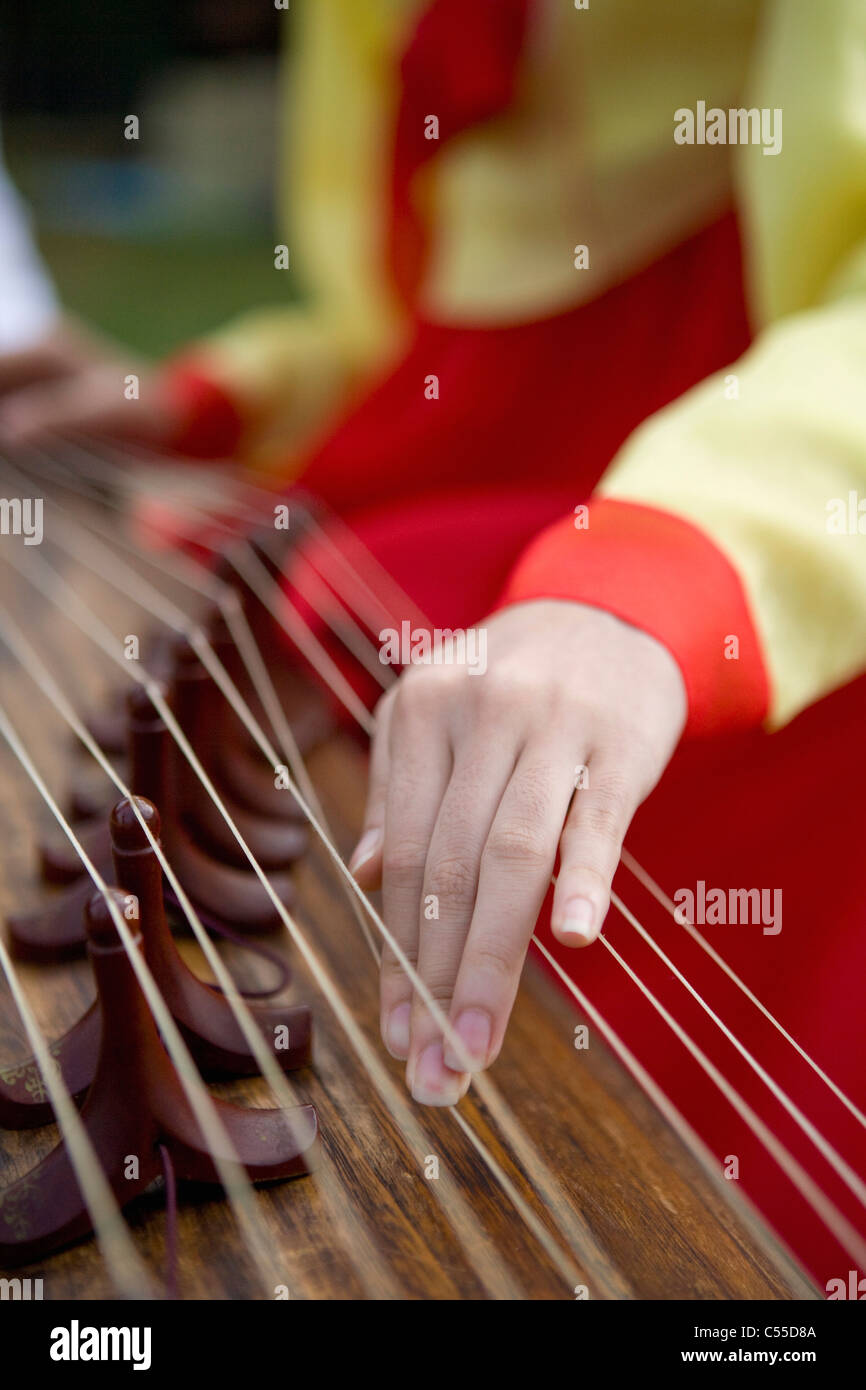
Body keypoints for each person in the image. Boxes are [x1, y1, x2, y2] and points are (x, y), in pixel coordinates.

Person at [2, 1, 865, 1288]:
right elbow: (417, 347)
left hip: (762, 528)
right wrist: (207, 395)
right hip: (471, 504)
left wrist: (648, 576)